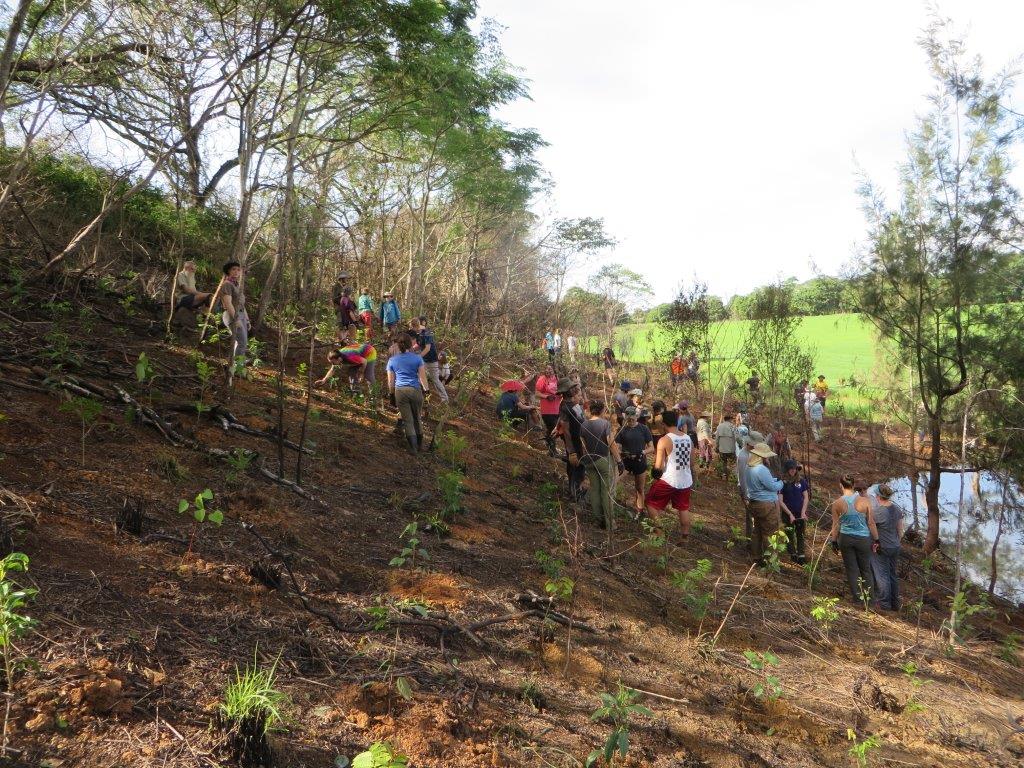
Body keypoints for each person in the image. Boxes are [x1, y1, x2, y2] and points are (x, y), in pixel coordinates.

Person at [828, 475, 880, 605]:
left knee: (852, 569)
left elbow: (835, 525)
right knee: (865, 570)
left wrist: (834, 541)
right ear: (853, 485)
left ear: (841, 485)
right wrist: (877, 539)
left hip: (845, 539)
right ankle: (870, 601)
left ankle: (857, 599)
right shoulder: (865, 501)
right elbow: (871, 523)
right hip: (863, 539)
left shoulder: (836, 503)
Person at [644, 409, 694, 540]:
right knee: (683, 508)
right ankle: (685, 537)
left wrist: (654, 477)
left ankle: (659, 531)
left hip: (669, 479)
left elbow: (658, 466)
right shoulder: (688, 438)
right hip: (686, 479)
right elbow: (692, 462)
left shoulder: (664, 440)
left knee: (650, 502)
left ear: (663, 424)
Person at [580, 401, 620, 531]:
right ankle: (610, 524)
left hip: (590, 460)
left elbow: (583, 445)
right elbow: (611, 443)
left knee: (595, 490)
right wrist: (619, 461)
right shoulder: (605, 424)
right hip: (603, 459)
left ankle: (599, 519)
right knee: (606, 492)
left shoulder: (584, 424)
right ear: (602, 411)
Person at [386, 333, 428, 455]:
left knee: (408, 420)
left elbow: (390, 381)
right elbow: (422, 378)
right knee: (417, 419)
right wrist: (427, 391)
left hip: (400, 391)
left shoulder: (392, 360)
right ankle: (420, 446)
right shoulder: (417, 358)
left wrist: (391, 395)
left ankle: (413, 448)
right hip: (415, 390)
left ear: (398, 345)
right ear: (411, 344)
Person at [745, 442, 784, 565]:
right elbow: (772, 486)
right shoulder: (761, 469)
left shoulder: (748, 467)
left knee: (757, 531)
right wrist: (781, 483)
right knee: (770, 532)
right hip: (766, 504)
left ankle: (756, 557)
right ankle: (771, 561)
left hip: (754, 502)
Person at [870, 483, 904, 611]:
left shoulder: (877, 512)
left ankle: (884, 604)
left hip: (882, 547)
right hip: (895, 546)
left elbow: (871, 527)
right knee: (892, 575)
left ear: (878, 496)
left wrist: (876, 541)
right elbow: (900, 531)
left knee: (882, 576)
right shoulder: (897, 509)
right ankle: (895, 603)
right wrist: (896, 542)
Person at [616, 406, 654, 517]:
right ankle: (611, 504)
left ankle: (640, 511)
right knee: (613, 481)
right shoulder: (621, 430)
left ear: (637, 417)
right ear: (625, 418)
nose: (631, 420)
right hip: (625, 462)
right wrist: (621, 452)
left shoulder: (644, 429)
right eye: (629, 418)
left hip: (640, 461)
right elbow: (617, 446)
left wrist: (643, 452)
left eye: (633, 418)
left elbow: (652, 447)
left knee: (639, 488)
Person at [557, 378, 587, 502]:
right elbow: (566, 429)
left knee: (579, 466)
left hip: (579, 439)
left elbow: (581, 420)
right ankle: (575, 493)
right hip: (574, 442)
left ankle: (576, 491)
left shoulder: (573, 404)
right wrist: (571, 451)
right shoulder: (565, 406)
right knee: (576, 466)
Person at [220, 261, 250, 380]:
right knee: (242, 342)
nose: (236, 272)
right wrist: (236, 319)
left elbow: (241, 304)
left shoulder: (237, 285)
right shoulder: (227, 284)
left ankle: (233, 367)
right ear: (228, 271)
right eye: (233, 269)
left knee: (240, 342)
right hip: (232, 315)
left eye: (238, 270)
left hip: (241, 315)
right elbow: (228, 303)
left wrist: (247, 320)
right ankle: (238, 369)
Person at [409, 317, 449, 405]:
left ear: (416, 326)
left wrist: (418, 357)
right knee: (419, 377)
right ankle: (422, 396)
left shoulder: (427, 333)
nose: (413, 331)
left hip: (431, 360)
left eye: (413, 328)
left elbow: (427, 348)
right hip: (423, 359)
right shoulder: (418, 333)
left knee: (435, 379)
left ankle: (445, 399)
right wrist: (411, 349)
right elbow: (418, 345)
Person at [778, 460, 809, 564]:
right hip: (788, 514)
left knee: (800, 534)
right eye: (791, 469)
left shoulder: (801, 481)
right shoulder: (782, 482)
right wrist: (790, 514)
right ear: (787, 470)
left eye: (795, 469)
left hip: (799, 513)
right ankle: (792, 554)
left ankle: (801, 555)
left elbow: (805, 497)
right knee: (789, 534)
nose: (793, 471)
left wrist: (803, 512)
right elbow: (780, 501)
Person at [536, 364, 562, 455]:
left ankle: (550, 446)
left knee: (554, 428)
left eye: (550, 369)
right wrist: (547, 396)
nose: (548, 370)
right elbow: (537, 393)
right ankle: (552, 449)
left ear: (554, 370)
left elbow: (561, 390)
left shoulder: (557, 378)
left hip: (557, 408)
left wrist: (560, 394)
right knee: (552, 427)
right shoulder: (542, 379)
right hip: (546, 409)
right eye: (547, 368)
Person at [735, 436, 754, 544]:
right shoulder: (743, 456)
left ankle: (752, 541)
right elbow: (742, 477)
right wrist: (746, 494)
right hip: (746, 489)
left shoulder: (750, 452)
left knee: (752, 515)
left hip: (751, 488)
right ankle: (750, 542)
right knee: (750, 516)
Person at [714, 414, 737, 479]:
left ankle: (724, 475)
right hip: (731, 449)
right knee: (733, 463)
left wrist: (716, 447)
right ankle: (732, 476)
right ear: (730, 419)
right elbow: (737, 437)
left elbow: (717, 438)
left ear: (724, 419)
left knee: (724, 462)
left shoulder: (719, 426)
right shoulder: (733, 426)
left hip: (722, 449)